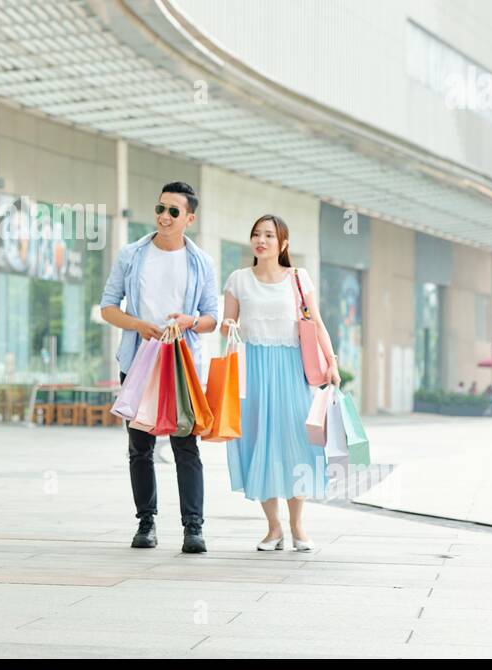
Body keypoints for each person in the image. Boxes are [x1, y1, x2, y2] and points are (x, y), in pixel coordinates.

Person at [100, 182, 219, 553]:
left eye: (173, 211)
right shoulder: (132, 255)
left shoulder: (201, 262)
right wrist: (139, 325)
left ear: (189, 218)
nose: (163, 217)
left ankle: (193, 528)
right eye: (160, 208)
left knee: (186, 444)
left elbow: (212, 318)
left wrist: (188, 321)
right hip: (139, 362)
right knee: (140, 447)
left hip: (182, 365)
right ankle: (146, 523)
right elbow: (108, 307)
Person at [220, 214, 340, 552]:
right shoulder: (239, 279)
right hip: (253, 370)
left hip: (291, 369)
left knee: (296, 444)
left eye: (269, 235)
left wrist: (331, 361)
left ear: (283, 243)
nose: (261, 240)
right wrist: (228, 324)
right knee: (259, 443)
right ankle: (273, 528)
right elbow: (227, 323)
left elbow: (316, 323)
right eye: (256, 234)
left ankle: (298, 526)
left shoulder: (298, 278)